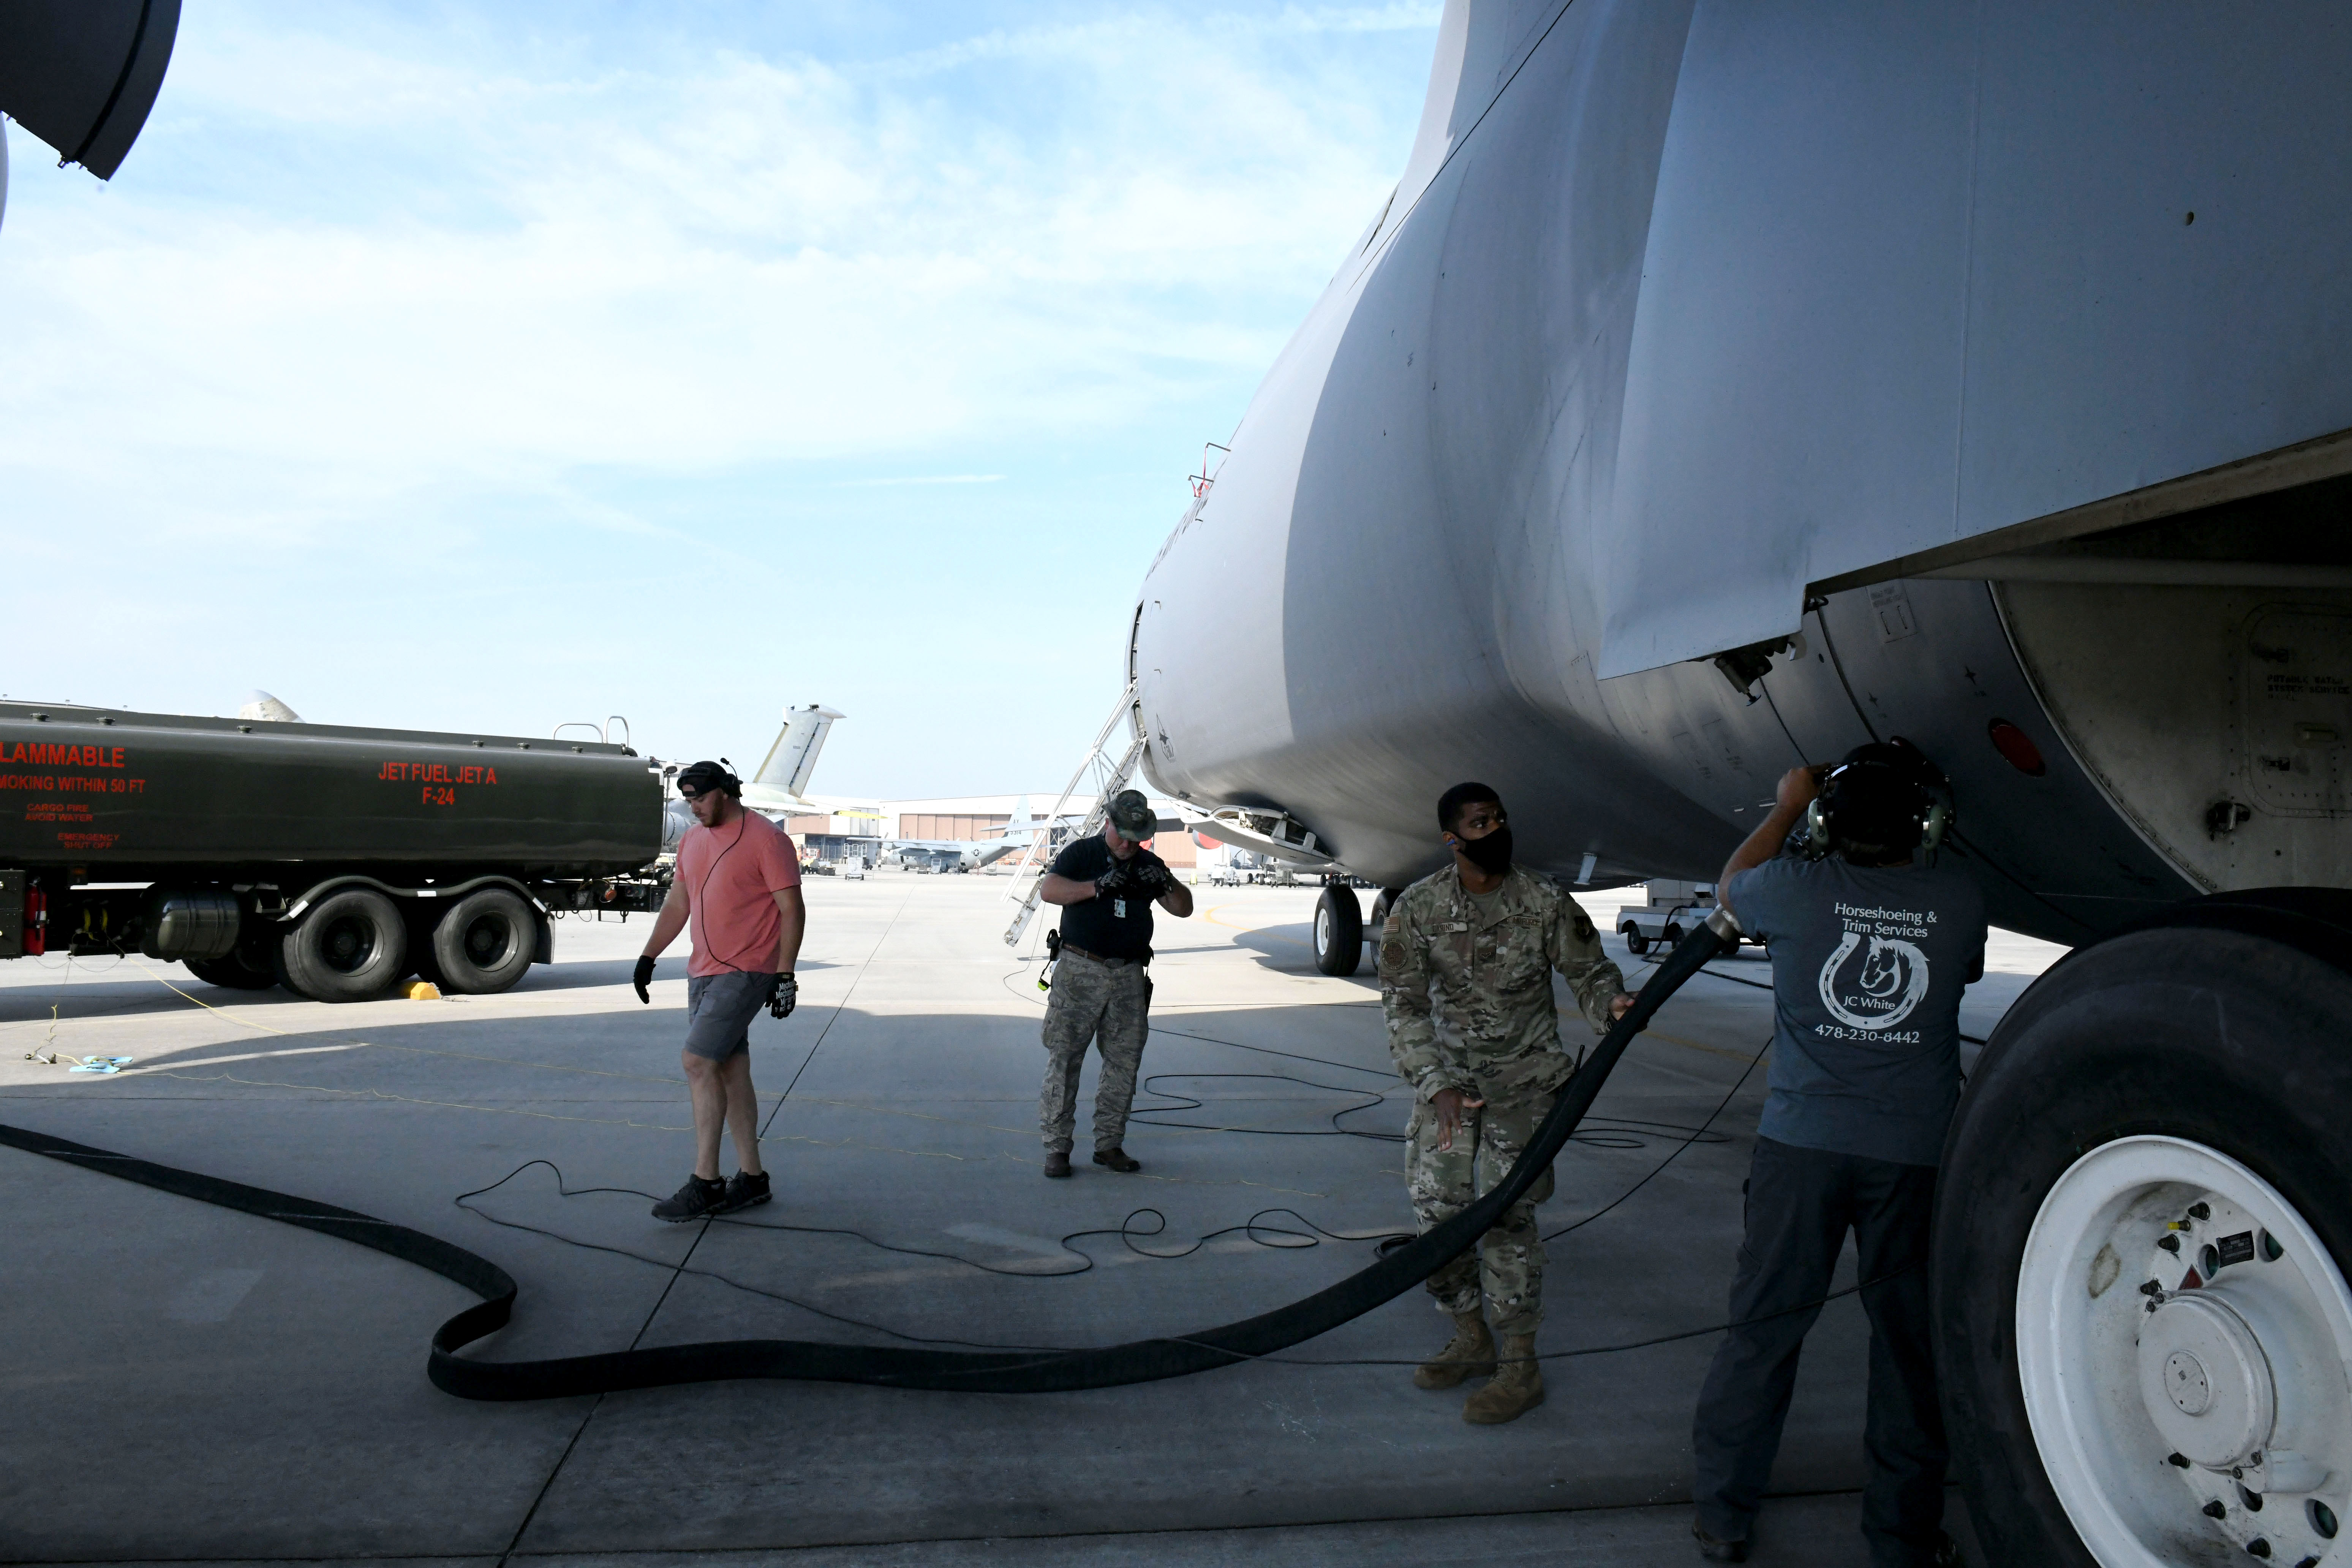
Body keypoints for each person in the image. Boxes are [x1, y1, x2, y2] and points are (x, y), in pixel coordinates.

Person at [1690, 743, 1985, 1566]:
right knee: (1908, 1351)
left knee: (1762, 1334)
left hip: (1802, 1153)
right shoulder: (1959, 899)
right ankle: (1901, 1538)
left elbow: (1728, 891)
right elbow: (1961, 965)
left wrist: (1786, 806)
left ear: (1825, 825)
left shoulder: (1788, 889)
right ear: (1924, 825)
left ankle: (1723, 1516)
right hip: (1913, 1160)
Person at [1377, 782, 1636, 1425]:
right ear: (1452, 837)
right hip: (1449, 1090)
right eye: (1479, 821)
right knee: (1436, 1218)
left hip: (1523, 1089)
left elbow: (1588, 972)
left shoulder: (1543, 900)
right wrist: (1432, 1079)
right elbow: (1402, 1003)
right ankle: (1470, 1338)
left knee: (1506, 1221)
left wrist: (1611, 1005)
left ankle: (1520, 1366)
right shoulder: (1419, 906)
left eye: (1498, 818)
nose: (1494, 828)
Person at [631, 760, 806, 1223]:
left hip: (748, 969)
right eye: (689, 799)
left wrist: (784, 975)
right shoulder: (692, 839)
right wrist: (649, 957)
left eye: (702, 799)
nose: (694, 808)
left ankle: (705, 1184)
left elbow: (792, 909)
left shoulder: (768, 840)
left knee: (697, 1061)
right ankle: (752, 1178)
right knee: (729, 1067)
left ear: (726, 793)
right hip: (703, 971)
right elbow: (678, 903)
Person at [1034, 789, 1193, 1178]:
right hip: (1080, 971)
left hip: (1127, 976)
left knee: (1124, 1062)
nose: (1127, 844)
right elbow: (1049, 890)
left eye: (1135, 837)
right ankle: (1057, 1148)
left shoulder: (1148, 864)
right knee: (1065, 1059)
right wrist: (1097, 887)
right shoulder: (1082, 855)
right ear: (1108, 823)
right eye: (1122, 834)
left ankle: (1109, 1144)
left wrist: (1168, 883)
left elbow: (1184, 909)